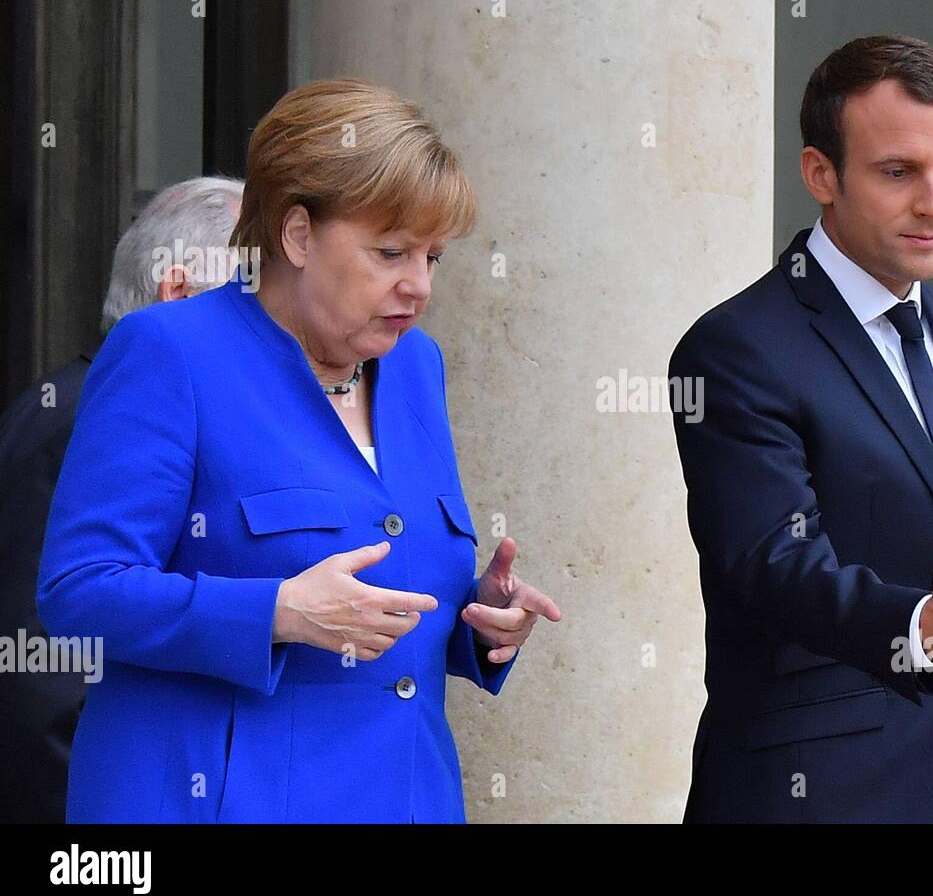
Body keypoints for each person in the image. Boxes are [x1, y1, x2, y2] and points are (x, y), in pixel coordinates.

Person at [37, 79, 560, 823]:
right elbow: (79, 594)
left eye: (434, 257)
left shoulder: (416, 365)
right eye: (390, 251)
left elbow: (385, 579)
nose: (419, 286)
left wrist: (480, 615)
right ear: (296, 235)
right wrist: (278, 611)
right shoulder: (170, 352)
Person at [669, 36, 933, 822]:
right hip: (820, 793)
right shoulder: (737, 348)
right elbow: (770, 562)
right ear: (820, 175)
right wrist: (919, 624)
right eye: (898, 172)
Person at [0, 175, 244, 823]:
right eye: (253, 300)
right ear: (178, 290)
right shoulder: (80, 420)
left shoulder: (113, 407)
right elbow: (43, 680)